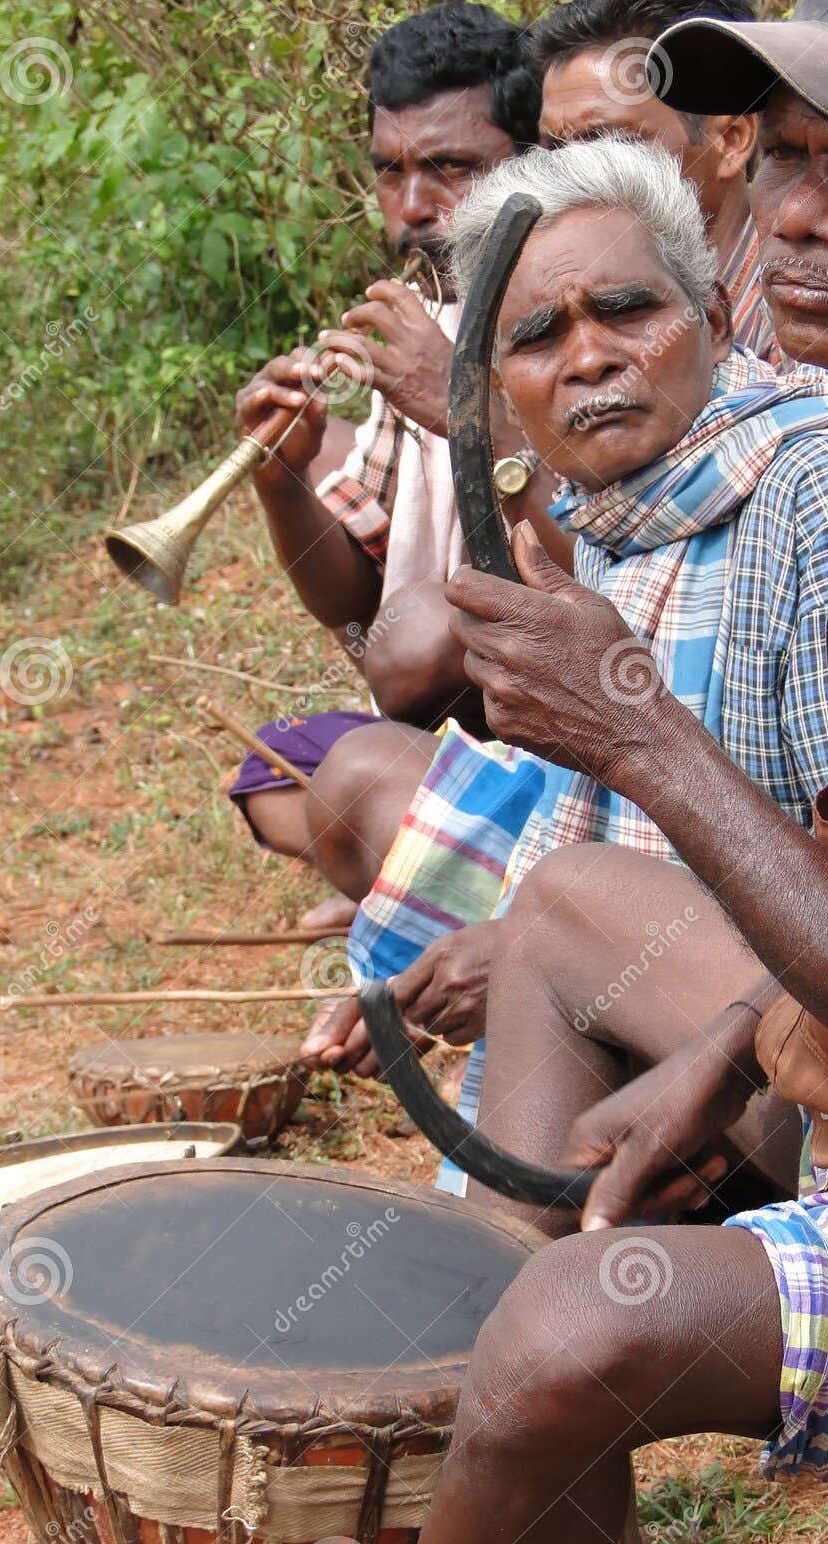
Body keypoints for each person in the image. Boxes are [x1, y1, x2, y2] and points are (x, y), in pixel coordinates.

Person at [395, 0, 828, 1544]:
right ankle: (509, 1482)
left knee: (580, 1321)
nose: (794, 216)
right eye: (779, 160)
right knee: (567, 914)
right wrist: (728, 1049)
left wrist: (634, 729)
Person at [298, 136, 828, 1130]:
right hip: (708, 1015)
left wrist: (551, 948)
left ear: (718, 318)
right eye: (537, 336)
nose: (590, 358)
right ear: (498, 382)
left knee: (565, 906)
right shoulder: (616, 513)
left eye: (627, 311)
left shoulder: (811, 491)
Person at [226, 3, 565, 919]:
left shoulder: (586, 315)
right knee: (271, 770)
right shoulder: (427, 320)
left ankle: (420, 865)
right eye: (391, 171)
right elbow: (352, 608)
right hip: (449, 726)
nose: (413, 208)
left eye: (451, 169)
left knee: (373, 733)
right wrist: (282, 481)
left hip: (579, 732)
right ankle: (417, 855)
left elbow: (608, 554)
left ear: (534, 168)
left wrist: (464, 413)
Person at [530, 0, 779, 364]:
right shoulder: (557, 304)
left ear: (729, 140)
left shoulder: (799, 313)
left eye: (612, 143)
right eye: (555, 149)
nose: (572, 174)